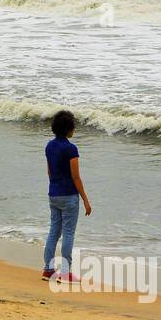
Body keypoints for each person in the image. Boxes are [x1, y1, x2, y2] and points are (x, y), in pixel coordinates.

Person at [43, 109, 92, 283]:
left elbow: (49, 172)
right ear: (68, 129)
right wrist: (85, 200)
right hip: (69, 196)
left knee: (53, 232)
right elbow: (76, 177)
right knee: (68, 233)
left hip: (53, 194)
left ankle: (48, 269)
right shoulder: (71, 149)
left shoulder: (49, 146)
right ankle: (65, 272)